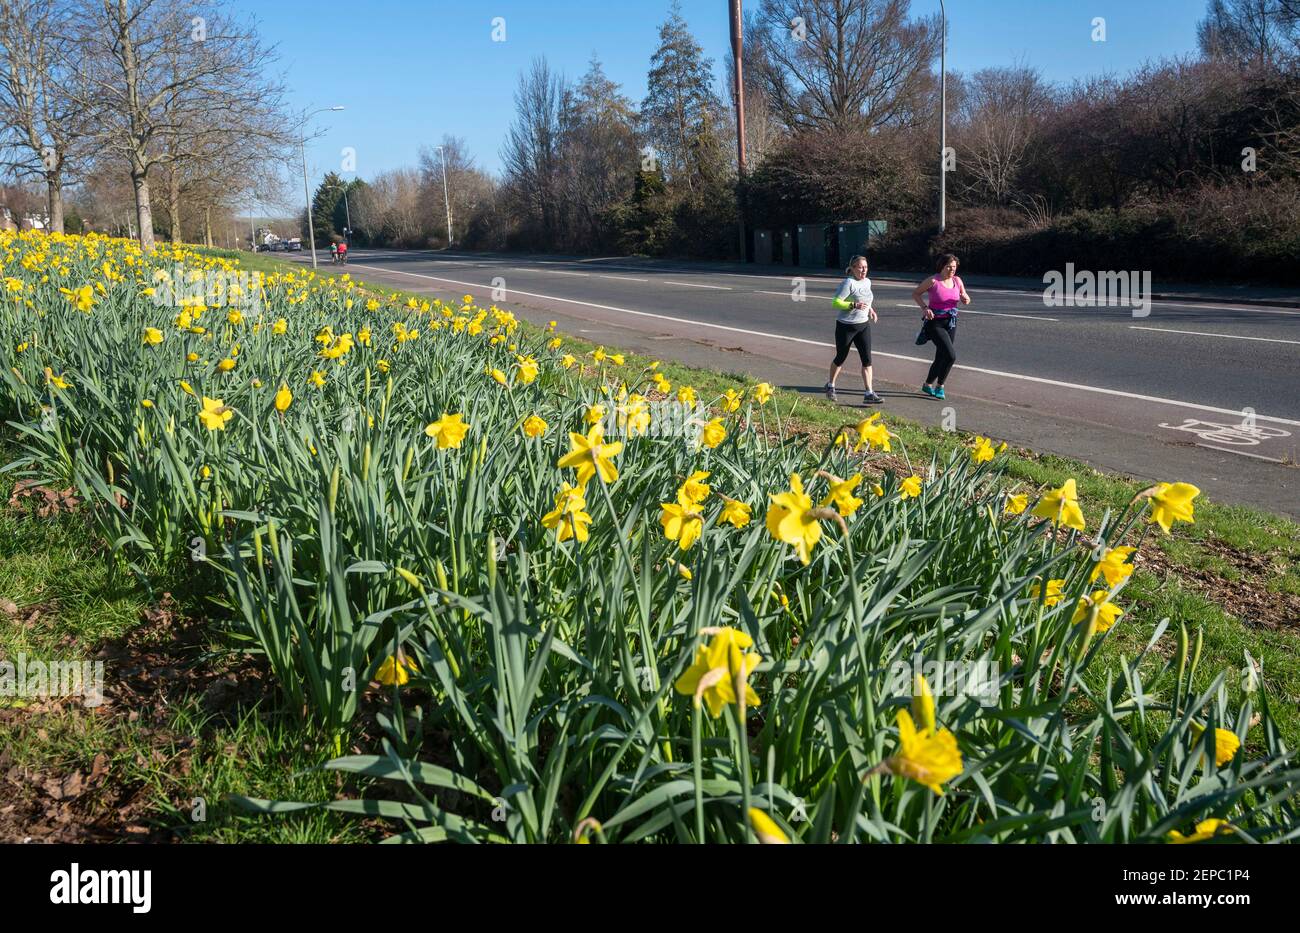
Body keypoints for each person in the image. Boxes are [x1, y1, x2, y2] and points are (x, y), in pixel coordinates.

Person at [911, 253, 971, 400]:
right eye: (949, 267)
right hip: (935, 322)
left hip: (951, 322)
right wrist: (925, 308)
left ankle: (927, 384)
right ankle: (940, 386)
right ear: (942, 266)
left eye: (954, 267)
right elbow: (916, 293)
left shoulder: (957, 280)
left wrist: (965, 299)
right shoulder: (933, 280)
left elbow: (966, 298)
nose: (952, 270)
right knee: (950, 356)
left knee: (941, 356)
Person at [825, 254, 882, 404]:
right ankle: (831, 385)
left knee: (867, 360)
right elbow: (836, 303)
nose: (864, 270)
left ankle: (869, 392)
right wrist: (853, 305)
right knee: (840, 358)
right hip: (846, 326)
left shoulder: (867, 282)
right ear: (852, 269)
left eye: (866, 267)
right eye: (861, 267)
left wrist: (871, 310)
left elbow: (866, 299)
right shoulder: (848, 283)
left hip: (863, 325)